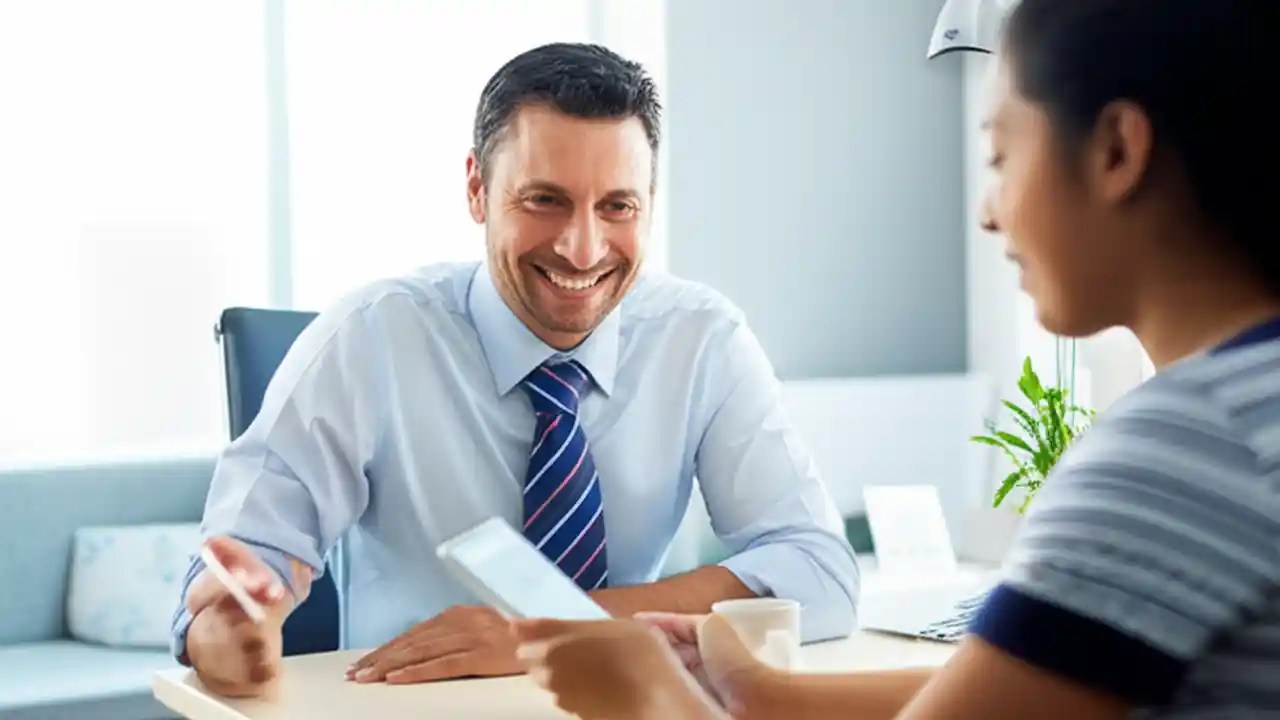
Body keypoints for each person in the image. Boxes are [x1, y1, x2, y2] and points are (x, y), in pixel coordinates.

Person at [515, 1, 1280, 718]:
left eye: (1000, 154)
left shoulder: (1180, 451)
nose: (987, 209)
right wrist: (763, 689)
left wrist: (655, 698)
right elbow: (1027, 687)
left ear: (1117, 150)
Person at [171, 42, 859, 698]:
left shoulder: (701, 339)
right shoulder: (367, 338)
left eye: (617, 206)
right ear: (477, 188)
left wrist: (554, 629)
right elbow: (226, 592)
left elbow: (819, 571)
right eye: (544, 200)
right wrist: (231, 636)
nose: (582, 248)